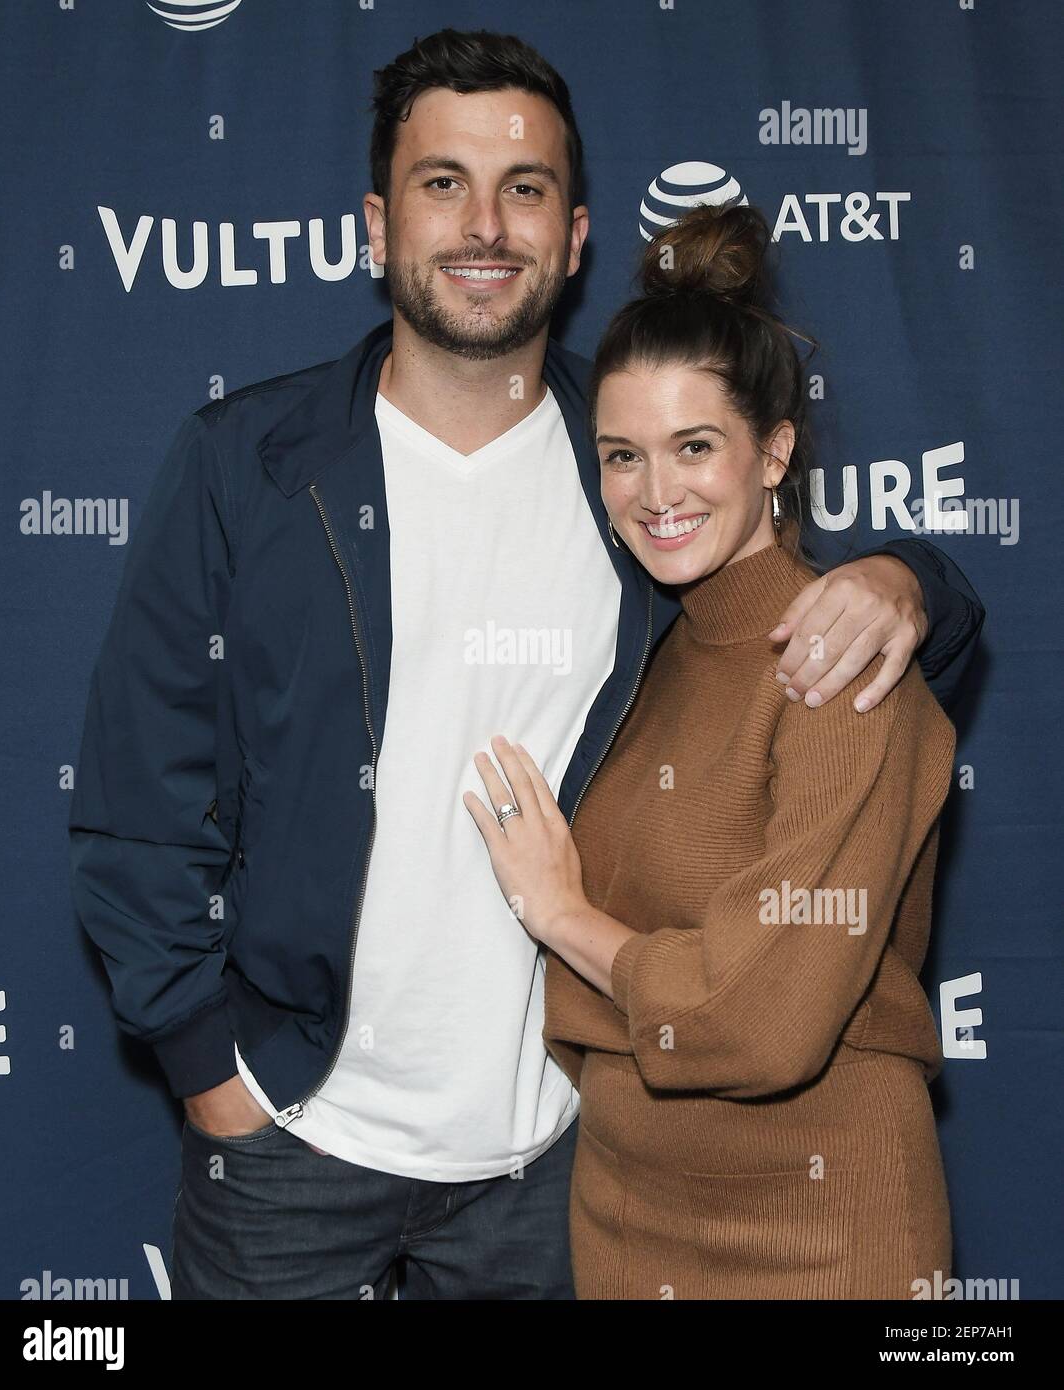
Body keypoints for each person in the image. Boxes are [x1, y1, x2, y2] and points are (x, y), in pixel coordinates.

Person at [68, 28, 982, 1300]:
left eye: (525, 188)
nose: (483, 224)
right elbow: (137, 796)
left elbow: (780, 620)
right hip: (292, 1143)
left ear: (576, 230)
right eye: (443, 183)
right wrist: (212, 1077)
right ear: (379, 223)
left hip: (561, 1158)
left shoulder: (623, 477)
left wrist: (912, 582)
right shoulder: (248, 466)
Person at [464, 199, 961, 1299]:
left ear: (773, 450)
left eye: (694, 447)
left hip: (827, 1232)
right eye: (621, 456)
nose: (655, 494)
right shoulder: (636, 653)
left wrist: (561, 917)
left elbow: (758, 1021)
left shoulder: (843, 666)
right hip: (625, 1220)